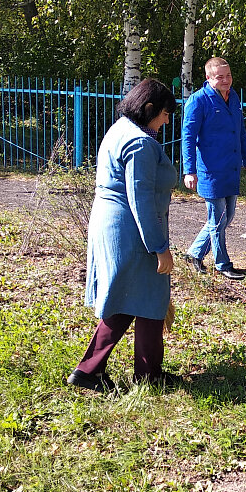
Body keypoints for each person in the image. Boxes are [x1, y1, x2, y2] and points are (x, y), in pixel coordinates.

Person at [67, 78, 179, 392]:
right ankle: (136, 375)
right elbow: (140, 197)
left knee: (131, 299)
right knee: (145, 299)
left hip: (113, 223)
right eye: (165, 113)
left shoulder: (121, 129)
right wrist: (159, 247)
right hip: (131, 230)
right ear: (149, 109)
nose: (168, 120)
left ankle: (98, 371)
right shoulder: (140, 142)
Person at [181, 57, 246, 279]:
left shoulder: (233, 97)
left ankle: (194, 253)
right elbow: (188, 137)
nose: (226, 81)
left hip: (231, 169)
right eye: (220, 77)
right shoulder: (198, 101)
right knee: (218, 218)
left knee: (227, 216)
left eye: (228, 76)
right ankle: (222, 264)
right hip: (210, 171)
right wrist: (189, 170)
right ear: (208, 78)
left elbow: (240, 132)